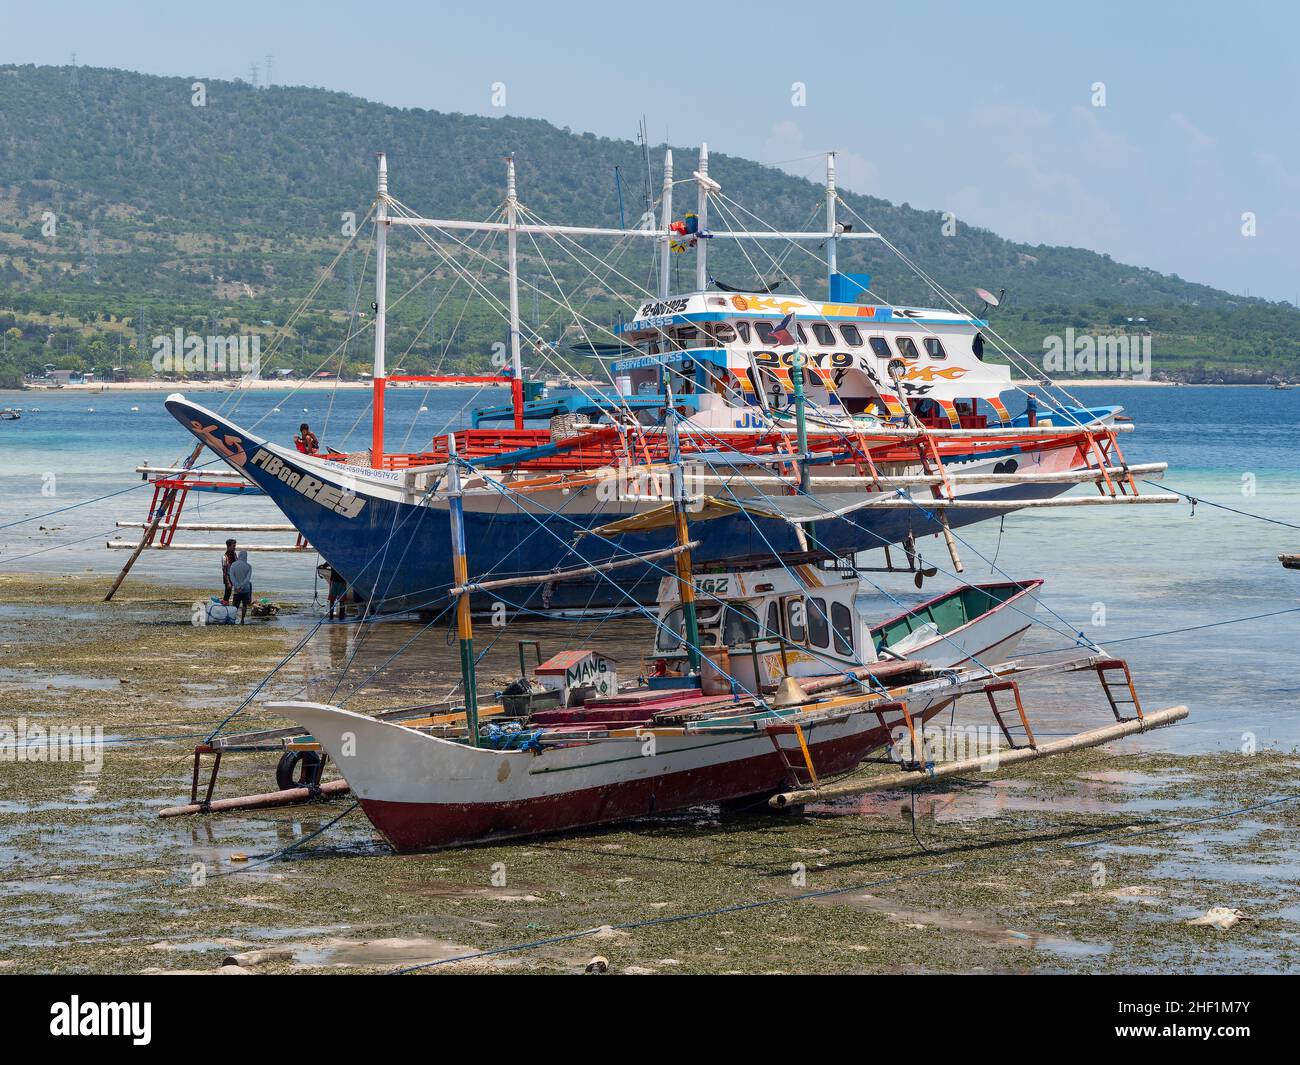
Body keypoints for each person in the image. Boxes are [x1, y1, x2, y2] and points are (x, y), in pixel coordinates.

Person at [228, 550, 254, 625]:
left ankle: (232, 619)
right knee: (244, 605)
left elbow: (232, 576)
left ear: (239, 556)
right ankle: (242, 619)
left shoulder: (233, 565)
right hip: (246, 589)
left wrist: (237, 586)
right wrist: (241, 586)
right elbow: (247, 579)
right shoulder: (249, 566)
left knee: (235, 605)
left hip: (236, 590)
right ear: (245, 556)